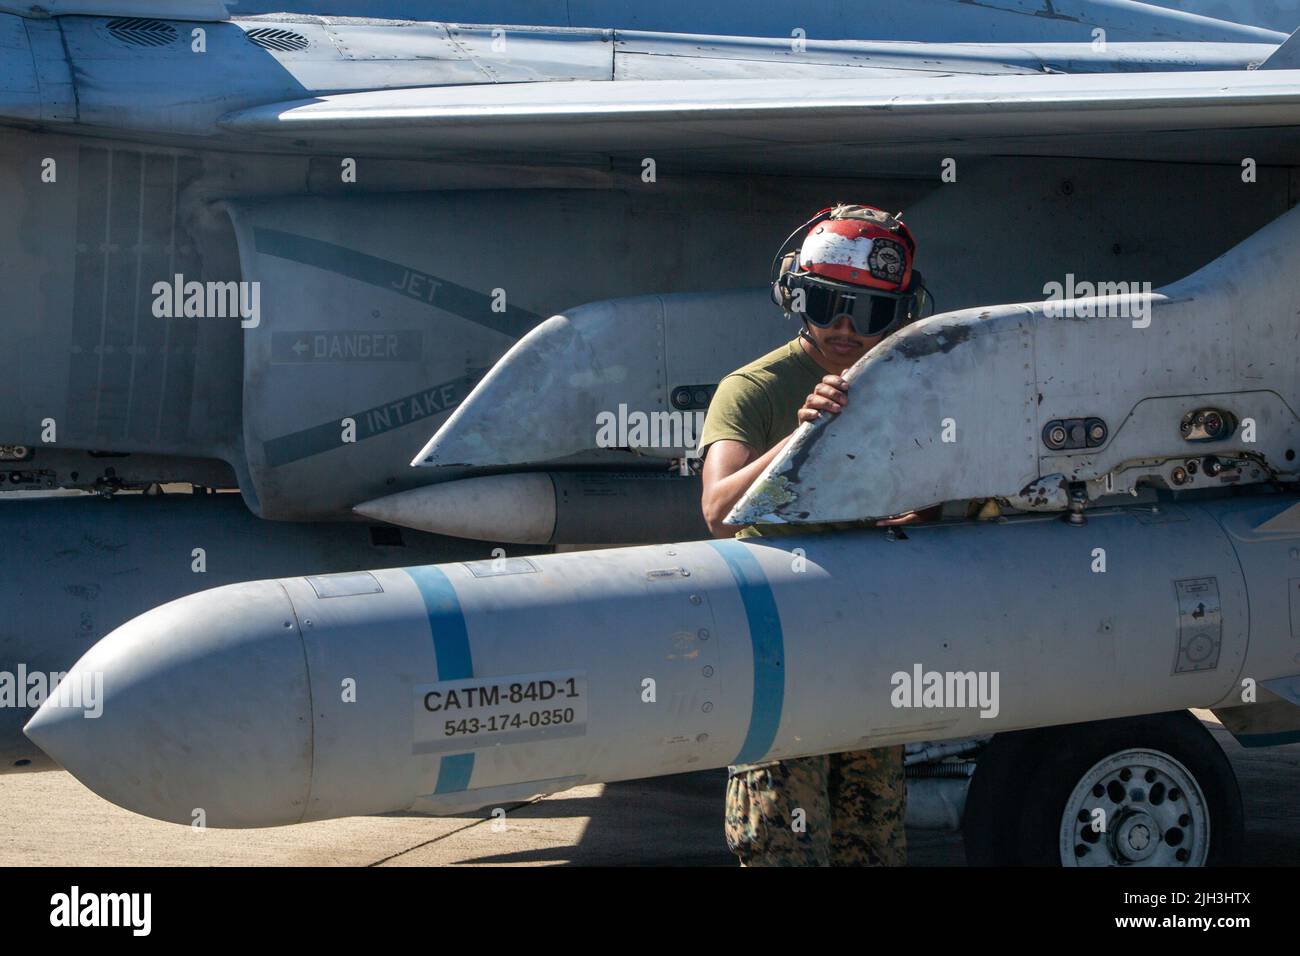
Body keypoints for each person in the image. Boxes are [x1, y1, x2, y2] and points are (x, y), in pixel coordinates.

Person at [698, 203, 934, 866]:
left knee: (874, 846)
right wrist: (805, 433)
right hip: (786, 661)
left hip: (867, 657)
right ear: (796, 298)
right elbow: (719, 510)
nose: (844, 329)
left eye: (869, 314)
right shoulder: (753, 390)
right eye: (828, 305)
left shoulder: (900, 386)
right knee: (784, 847)